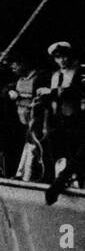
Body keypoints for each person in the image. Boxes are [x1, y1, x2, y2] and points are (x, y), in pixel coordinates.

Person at [43, 41, 85, 203]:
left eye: (65, 56)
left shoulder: (81, 71)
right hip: (60, 121)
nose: (63, 60)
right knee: (62, 154)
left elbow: (77, 91)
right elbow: (50, 102)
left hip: (78, 120)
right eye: (58, 57)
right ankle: (65, 181)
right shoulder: (55, 76)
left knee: (78, 154)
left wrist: (54, 92)